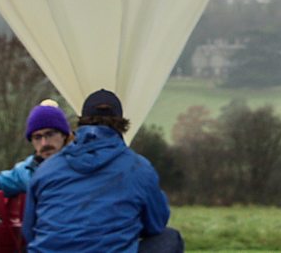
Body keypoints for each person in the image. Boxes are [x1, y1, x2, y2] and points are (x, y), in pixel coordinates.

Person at [24, 89, 184, 253]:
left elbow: (29, 231)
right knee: (170, 237)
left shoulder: (45, 170)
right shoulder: (139, 168)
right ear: (122, 124)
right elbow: (156, 224)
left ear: (81, 122)